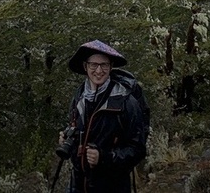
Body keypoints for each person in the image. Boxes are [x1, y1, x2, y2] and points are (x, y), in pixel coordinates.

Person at [57, 40, 148, 193]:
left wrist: (104, 157)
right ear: (85, 67)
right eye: (94, 65)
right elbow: (77, 129)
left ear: (111, 67)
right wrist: (68, 139)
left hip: (113, 186)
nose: (98, 71)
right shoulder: (79, 98)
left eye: (104, 65)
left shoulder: (126, 102)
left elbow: (138, 149)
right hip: (78, 183)